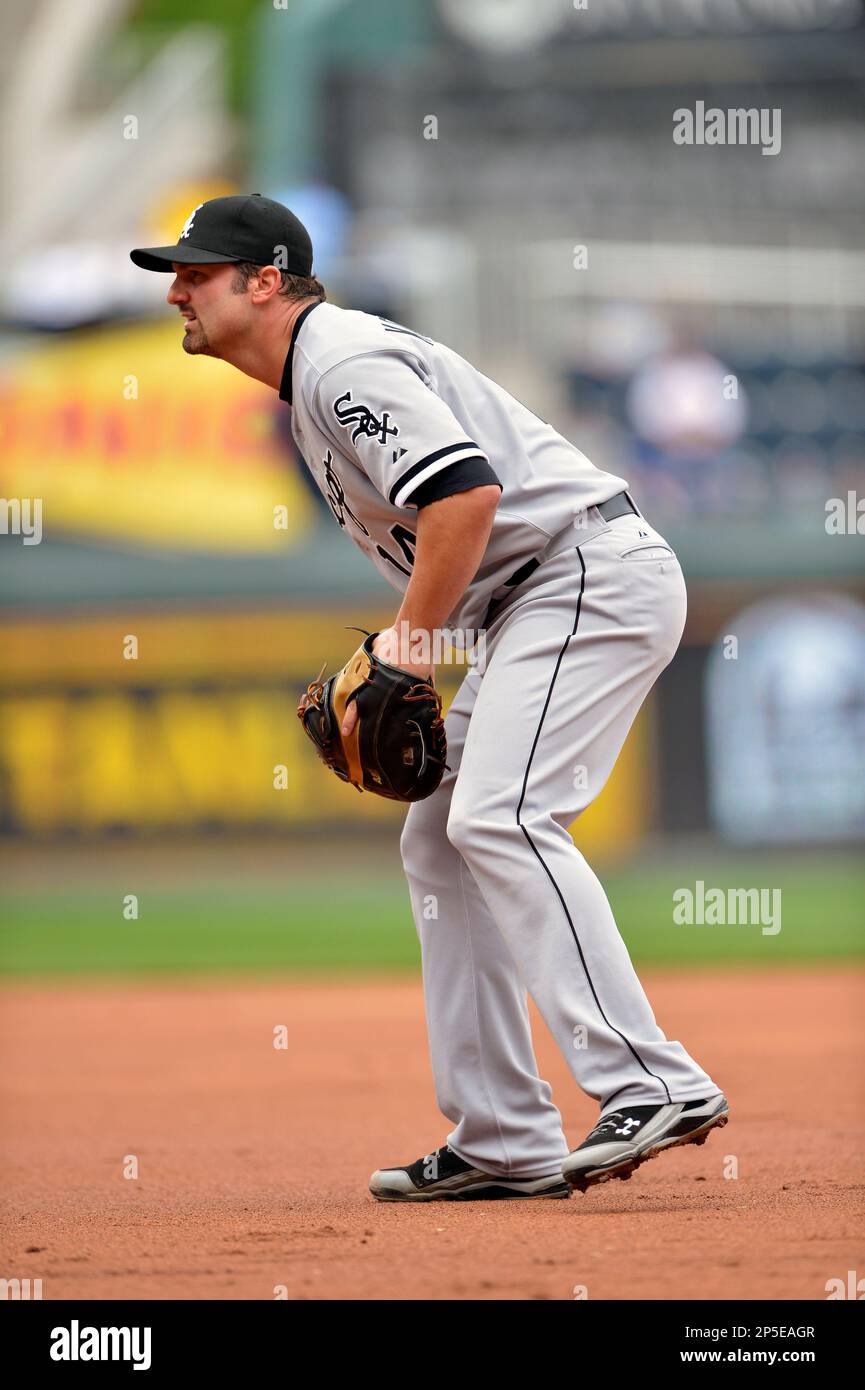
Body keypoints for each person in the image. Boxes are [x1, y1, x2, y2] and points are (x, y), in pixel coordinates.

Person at [131, 195, 729, 1202]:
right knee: (441, 838)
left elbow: (465, 495)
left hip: (582, 572)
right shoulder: (313, 382)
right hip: (534, 596)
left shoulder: (338, 363)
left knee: (500, 814)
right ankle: (502, 1134)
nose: (177, 290)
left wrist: (410, 648)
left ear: (265, 281)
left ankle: (650, 1078)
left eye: (196, 272)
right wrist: (426, 645)